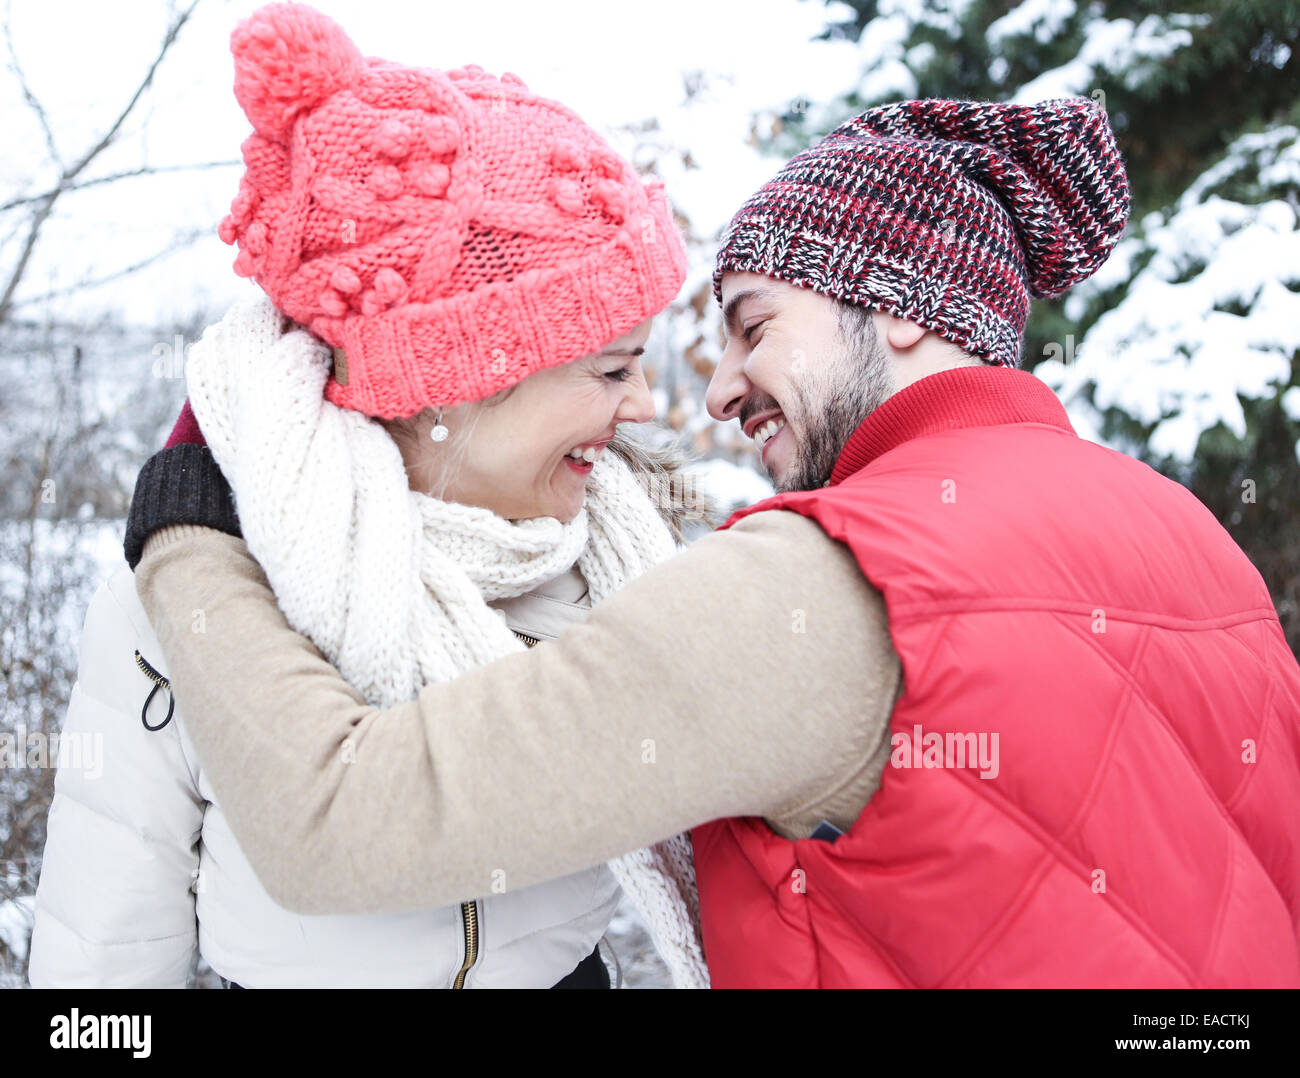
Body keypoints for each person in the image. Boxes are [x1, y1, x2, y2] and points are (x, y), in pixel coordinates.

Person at [124, 94, 1300, 988]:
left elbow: (337, 822)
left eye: (752, 325)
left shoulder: (824, 588)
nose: (719, 390)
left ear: (895, 304)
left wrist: (193, 523)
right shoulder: (1187, 541)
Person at [29, 2, 711, 989]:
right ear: (458, 380)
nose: (645, 405)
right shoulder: (190, 603)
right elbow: (102, 949)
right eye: (611, 370)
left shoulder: (603, 565)